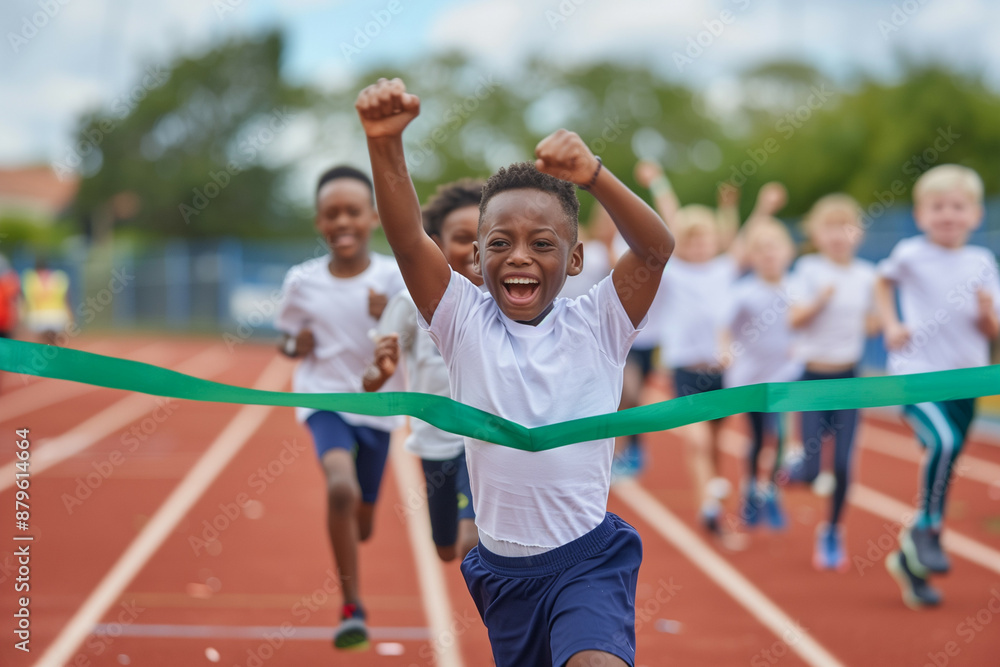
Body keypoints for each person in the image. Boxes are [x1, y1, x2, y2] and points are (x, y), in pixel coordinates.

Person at [356, 77, 673, 667]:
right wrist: (384, 144)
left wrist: (596, 176)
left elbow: (655, 250)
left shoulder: (600, 322)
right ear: (476, 257)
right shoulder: (462, 322)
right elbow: (405, 240)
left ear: (575, 259)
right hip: (505, 575)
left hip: (587, 560)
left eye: (542, 244)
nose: (520, 256)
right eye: (500, 242)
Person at [274, 165, 406, 650]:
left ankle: (356, 517)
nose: (342, 221)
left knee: (363, 521)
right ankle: (352, 605)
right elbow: (285, 341)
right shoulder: (302, 281)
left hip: (379, 408)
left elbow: (417, 340)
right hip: (323, 400)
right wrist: (296, 344)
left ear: (372, 216)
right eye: (332, 214)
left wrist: (388, 317)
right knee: (339, 486)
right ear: (319, 223)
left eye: (352, 211)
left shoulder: (394, 277)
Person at [875, 164, 1000, 609]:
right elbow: (881, 282)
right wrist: (891, 324)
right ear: (920, 213)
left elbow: (993, 329)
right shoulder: (910, 252)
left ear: (975, 215)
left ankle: (913, 560)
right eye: (937, 207)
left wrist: (987, 312)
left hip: (968, 379)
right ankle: (927, 528)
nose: (947, 214)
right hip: (916, 374)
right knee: (943, 443)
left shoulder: (981, 263)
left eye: (957, 206)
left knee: (944, 464)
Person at [362, 179, 483, 563]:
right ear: (436, 243)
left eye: (487, 236)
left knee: (471, 540)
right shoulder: (409, 302)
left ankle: (506, 620)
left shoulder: (508, 298)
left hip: (484, 441)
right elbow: (370, 382)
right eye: (463, 237)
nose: (475, 248)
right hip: (434, 442)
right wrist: (381, 371)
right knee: (446, 548)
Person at [785, 194, 879, 571]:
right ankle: (795, 468)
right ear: (815, 234)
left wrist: (884, 326)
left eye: (846, 225)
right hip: (811, 378)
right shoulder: (808, 269)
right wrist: (820, 301)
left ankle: (831, 531)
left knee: (842, 463)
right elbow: (794, 320)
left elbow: (874, 322)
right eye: (829, 226)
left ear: (858, 233)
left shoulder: (868, 275)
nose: (839, 234)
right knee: (810, 470)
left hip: (849, 379)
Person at [721, 219, 802, 530]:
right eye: (761, 249)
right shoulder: (743, 291)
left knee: (782, 438)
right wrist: (724, 349)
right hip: (750, 377)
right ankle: (752, 491)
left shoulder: (797, 286)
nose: (769, 255)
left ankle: (771, 493)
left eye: (775, 248)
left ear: (788, 252)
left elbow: (809, 318)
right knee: (757, 438)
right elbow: (723, 327)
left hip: (785, 374)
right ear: (751, 256)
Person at [22, 258, 72, 345]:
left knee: (43, 340)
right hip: (55, 314)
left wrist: (24, 313)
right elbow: (66, 298)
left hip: (39, 314)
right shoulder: (58, 277)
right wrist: (69, 313)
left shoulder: (30, 279)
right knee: (53, 339)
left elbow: (25, 299)